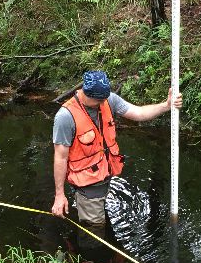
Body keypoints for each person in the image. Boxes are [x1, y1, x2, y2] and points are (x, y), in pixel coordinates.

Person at [51, 70, 181, 224]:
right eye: (98, 100)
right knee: (94, 228)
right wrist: (59, 195)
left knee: (99, 218)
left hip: (105, 175)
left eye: (104, 99)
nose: (102, 103)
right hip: (88, 185)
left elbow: (138, 113)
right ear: (86, 94)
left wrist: (166, 106)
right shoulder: (65, 117)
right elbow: (60, 157)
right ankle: (89, 245)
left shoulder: (108, 100)